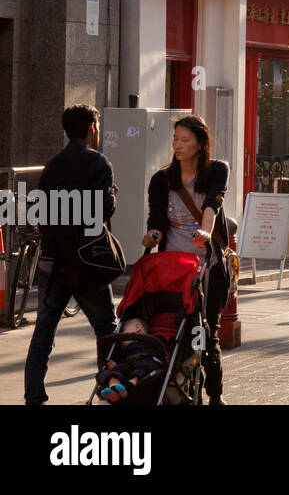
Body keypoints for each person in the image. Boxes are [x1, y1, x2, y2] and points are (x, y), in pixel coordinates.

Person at [23, 104, 119, 406]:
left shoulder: (52, 164)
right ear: (92, 127)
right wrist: (112, 197)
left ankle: (34, 397)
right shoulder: (98, 163)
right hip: (86, 262)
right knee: (106, 329)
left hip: (53, 261)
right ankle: (111, 390)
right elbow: (99, 211)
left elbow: (41, 212)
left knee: (44, 332)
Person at [142, 115, 230, 404]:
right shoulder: (161, 179)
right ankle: (181, 386)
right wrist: (152, 235)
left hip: (208, 266)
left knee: (206, 332)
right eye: (175, 139)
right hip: (174, 271)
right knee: (177, 329)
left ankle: (213, 395)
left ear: (200, 143)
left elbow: (212, 202)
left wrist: (205, 230)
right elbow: (156, 218)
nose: (178, 145)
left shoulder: (217, 170)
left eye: (185, 140)